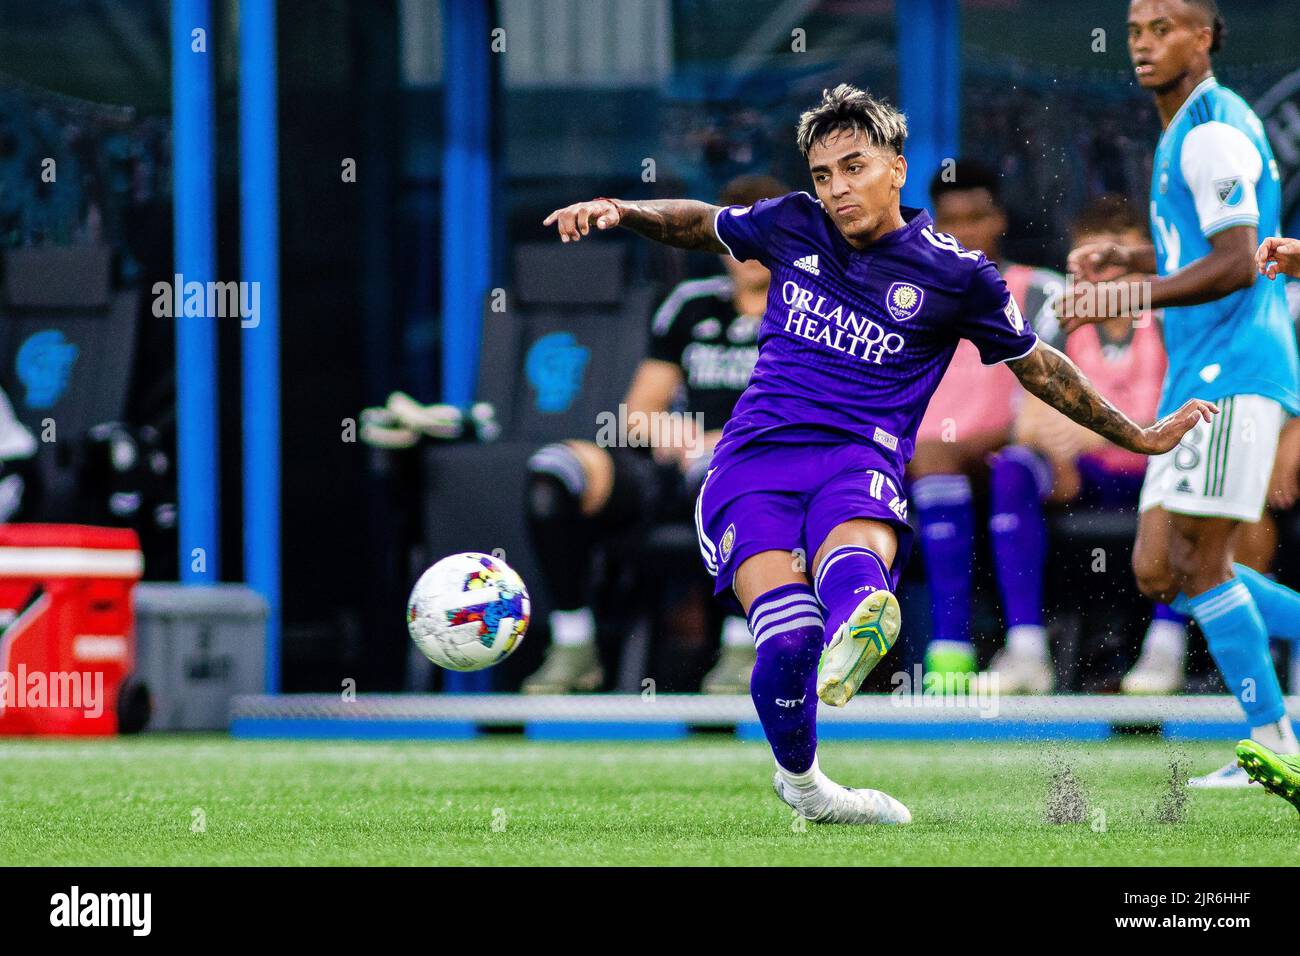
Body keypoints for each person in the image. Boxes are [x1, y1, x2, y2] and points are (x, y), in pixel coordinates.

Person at [544, 84, 1212, 825]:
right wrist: (623, 210)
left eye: (853, 167)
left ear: (895, 167)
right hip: (753, 466)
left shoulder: (956, 273)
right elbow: (702, 223)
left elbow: (1040, 365)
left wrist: (1137, 434)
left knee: (859, 571)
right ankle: (806, 784)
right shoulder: (793, 224)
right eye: (823, 174)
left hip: (857, 462)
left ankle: (859, 618)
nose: (836, 189)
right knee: (789, 636)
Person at [1064, 0, 1300, 799]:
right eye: (1134, 30)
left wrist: (1127, 291)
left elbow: (1241, 262)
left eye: (1162, 28)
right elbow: (1207, 242)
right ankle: (1273, 735)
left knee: (1200, 562)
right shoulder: (1185, 130)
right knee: (1164, 568)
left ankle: (1272, 741)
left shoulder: (1213, 130)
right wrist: (1133, 251)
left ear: (1203, 37)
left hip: (1231, 369)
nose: (1142, 43)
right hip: (1199, 372)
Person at [521, 175, 787, 695]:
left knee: (723, 473)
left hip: (750, 474)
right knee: (556, 471)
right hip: (670, 468)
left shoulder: (808, 308)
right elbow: (637, 413)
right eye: (737, 233)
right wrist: (667, 427)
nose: (747, 249)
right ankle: (574, 647)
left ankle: (743, 646)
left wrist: (722, 441)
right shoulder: (689, 304)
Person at [988, 195, 1188, 693]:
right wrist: (1053, 444)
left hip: (1154, 473)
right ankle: (1027, 651)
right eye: (1093, 260)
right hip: (1084, 476)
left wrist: (1094, 429)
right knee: (1013, 467)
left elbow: (1190, 415)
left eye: (1119, 257)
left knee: (1191, 462)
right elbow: (1026, 417)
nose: (1107, 275)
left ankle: (1166, 648)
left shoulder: (1171, 318)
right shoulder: (1060, 320)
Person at [910, 160, 1063, 683]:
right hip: (927, 462)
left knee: (1010, 465)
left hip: (1019, 453)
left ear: (999, 218)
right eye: (952, 221)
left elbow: (1057, 394)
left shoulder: (1042, 291)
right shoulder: (908, 297)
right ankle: (949, 655)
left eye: (977, 217)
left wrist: (976, 440)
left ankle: (1022, 651)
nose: (966, 232)